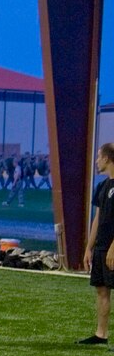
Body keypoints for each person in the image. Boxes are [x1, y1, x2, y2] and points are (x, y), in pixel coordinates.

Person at [80, 143, 114, 345]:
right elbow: (97, 218)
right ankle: (101, 335)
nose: (96, 161)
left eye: (99, 156)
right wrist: (88, 248)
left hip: (112, 248)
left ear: (108, 159)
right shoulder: (103, 186)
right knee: (101, 290)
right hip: (101, 247)